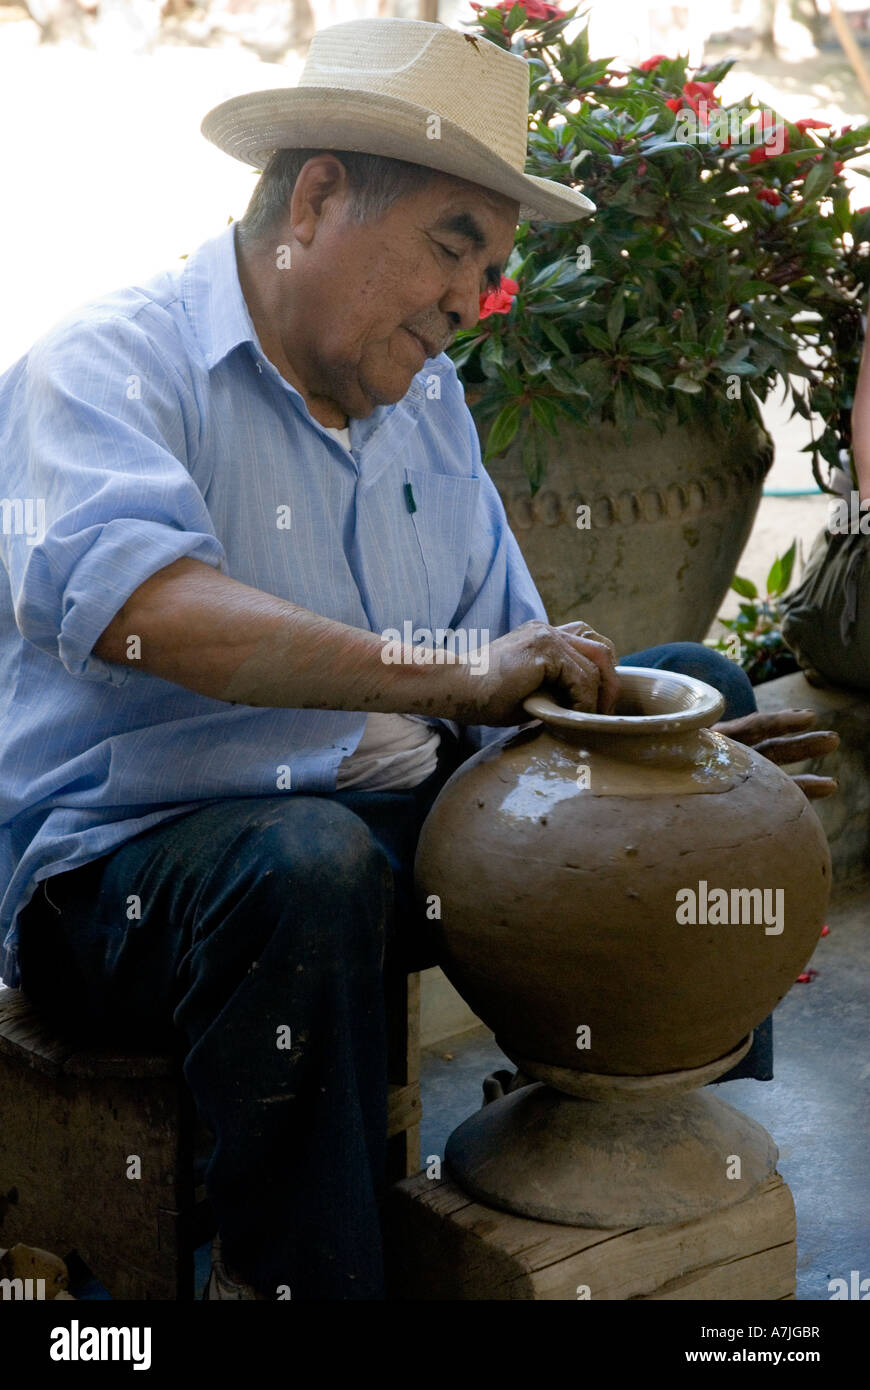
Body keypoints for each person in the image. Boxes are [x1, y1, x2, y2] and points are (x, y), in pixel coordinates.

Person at [0, 18, 836, 1300]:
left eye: (493, 268)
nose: (472, 299)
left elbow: (519, 669)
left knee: (697, 701)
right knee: (303, 862)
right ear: (319, 195)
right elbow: (150, 611)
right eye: (456, 246)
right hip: (133, 887)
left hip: (381, 824)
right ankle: (299, 1282)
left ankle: (622, 1145)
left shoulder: (427, 405)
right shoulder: (106, 368)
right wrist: (451, 672)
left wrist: (668, 752)